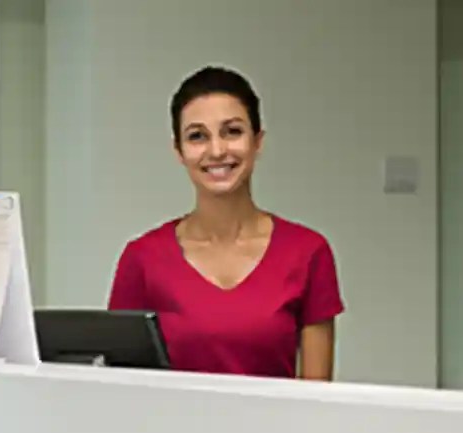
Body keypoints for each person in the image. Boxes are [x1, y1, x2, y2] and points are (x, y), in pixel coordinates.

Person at [108, 66, 344, 381]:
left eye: (232, 131)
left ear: (257, 141)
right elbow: (122, 392)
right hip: (170, 430)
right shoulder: (142, 259)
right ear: (178, 151)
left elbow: (318, 401)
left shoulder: (308, 252)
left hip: (277, 430)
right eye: (197, 136)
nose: (217, 150)